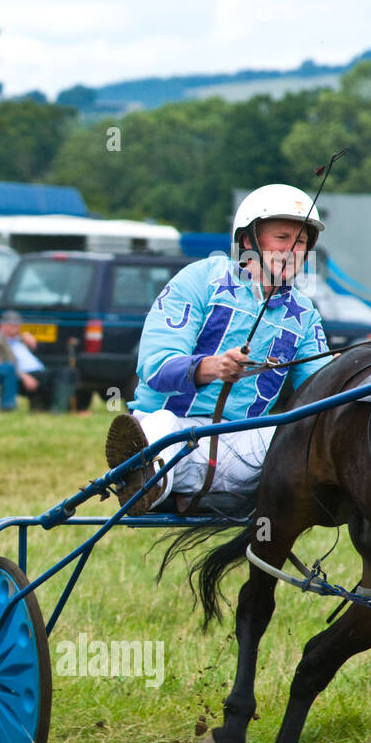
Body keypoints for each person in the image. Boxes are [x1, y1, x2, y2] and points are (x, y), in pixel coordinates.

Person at [105, 183, 329, 514]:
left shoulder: (305, 315)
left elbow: (322, 394)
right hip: (173, 437)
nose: (292, 250)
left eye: (301, 242)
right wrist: (211, 367)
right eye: (282, 238)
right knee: (159, 423)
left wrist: (348, 372)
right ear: (249, 240)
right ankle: (144, 482)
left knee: (300, 435)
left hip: (243, 449)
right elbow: (155, 366)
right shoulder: (201, 279)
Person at [0, 309, 49, 409]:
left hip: (39, 370)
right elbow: (3, 364)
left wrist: (32, 345)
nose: (17, 329)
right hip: (22, 374)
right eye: (13, 326)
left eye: (18, 326)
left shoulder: (20, 339)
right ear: (3, 326)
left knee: (65, 374)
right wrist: (23, 376)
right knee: (58, 377)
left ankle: (58, 409)